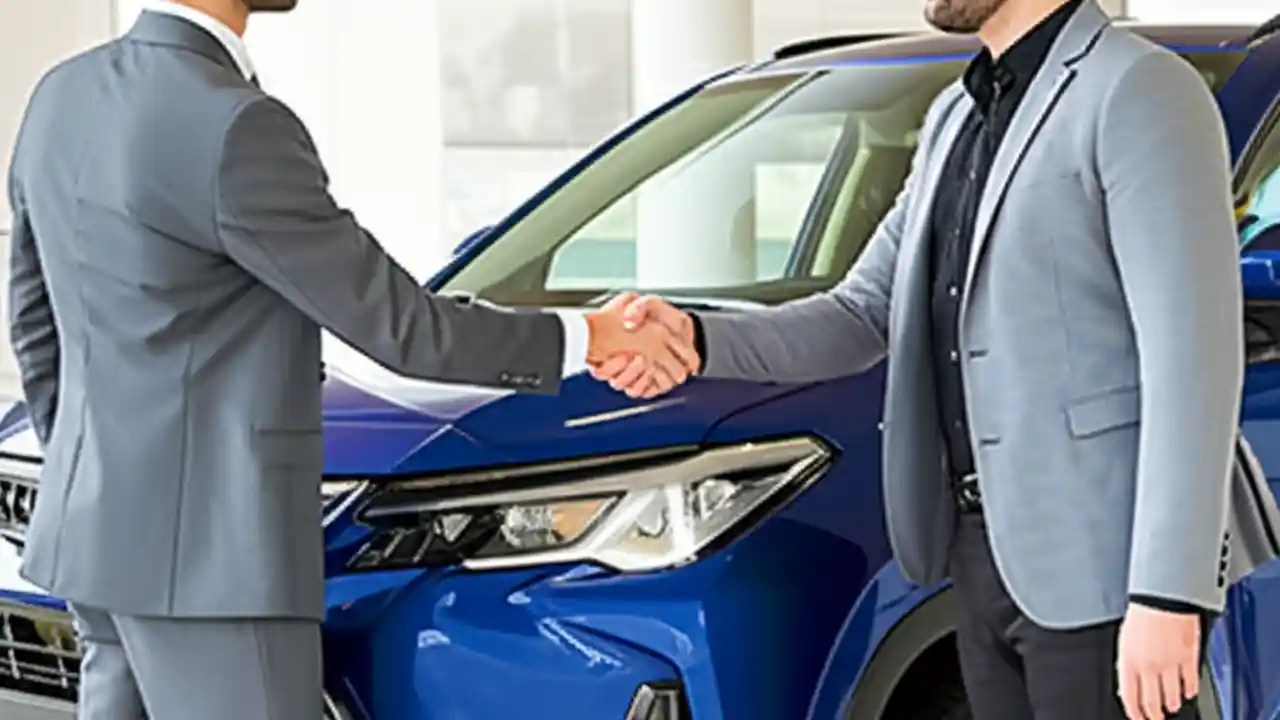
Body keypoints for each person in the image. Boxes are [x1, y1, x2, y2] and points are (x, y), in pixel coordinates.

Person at [5, 1, 695, 718]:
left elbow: (35, 323)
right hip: (214, 565)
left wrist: (88, 478)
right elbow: (404, 329)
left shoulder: (63, 95)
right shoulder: (233, 124)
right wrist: (591, 335)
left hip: (95, 539)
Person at [595, 1, 1263, 718]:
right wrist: (693, 338)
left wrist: (1168, 594)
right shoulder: (956, 117)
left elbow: (1193, 359)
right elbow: (860, 312)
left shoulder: (1140, 89)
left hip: (1103, 564)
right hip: (978, 558)